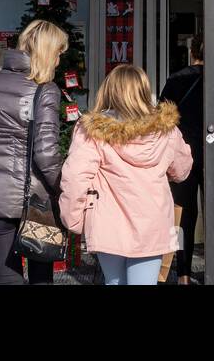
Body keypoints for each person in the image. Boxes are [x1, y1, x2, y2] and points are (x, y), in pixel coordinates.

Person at [60, 64, 193, 285]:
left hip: (107, 222)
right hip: (152, 221)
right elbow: (182, 171)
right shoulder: (167, 130)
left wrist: (73, 220)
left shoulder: (91, 130)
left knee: (113, 282)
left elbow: (74, 177)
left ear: (110, 90)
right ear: (143, 91)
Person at [0, 19, 66, 285]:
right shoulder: (45, 90)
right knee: (41, 279)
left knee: (6, 279)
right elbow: (46, 153)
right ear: (48, 52)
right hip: (34, 202)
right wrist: (64, 187)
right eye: (59, 53)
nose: (60, 60)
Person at [159, 35, 205, 283]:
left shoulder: (176, 80)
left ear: (192, 52)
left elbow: (162, 118)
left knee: (182, 214)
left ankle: (183, 273)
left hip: (182, 154)